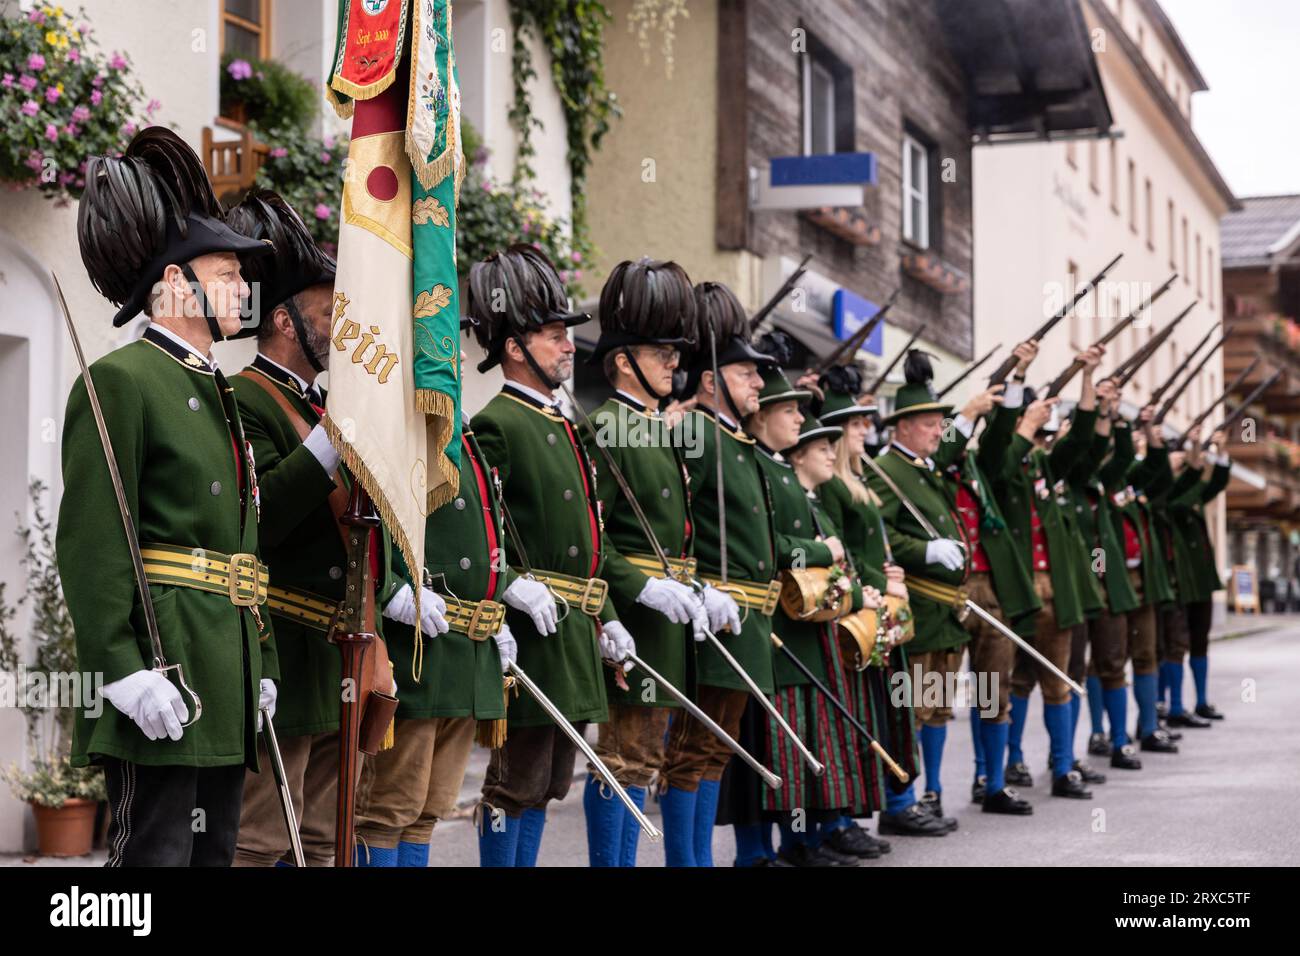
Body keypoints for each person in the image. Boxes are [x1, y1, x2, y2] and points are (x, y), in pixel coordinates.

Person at [59, 127, 277, 865]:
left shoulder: (217, 391)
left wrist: (262, 662)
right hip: (164, 665)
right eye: (226, 271)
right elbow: (91, 542)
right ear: (178, 284)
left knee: (211, 856)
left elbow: (240, 548)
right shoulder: (125, 382)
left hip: (222, 667)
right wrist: (118, 668)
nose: (243, 289)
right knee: (150, 863)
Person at [223, 189, 434, 865]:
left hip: (340, 655)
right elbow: (261, 519)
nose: (343, 328)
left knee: (323, 841)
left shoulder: (314, 406)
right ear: (284, 320)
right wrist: (331, 441)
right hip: (283, 649)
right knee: (257, 840)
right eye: (327, 312)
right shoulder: (246, 400)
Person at [466, 245, 632, 866]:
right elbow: (479, 532)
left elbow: (593, 538)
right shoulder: (495, 424)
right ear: (514, 347)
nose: (569, 347)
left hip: (573, 634)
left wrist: (609, 614)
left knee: (547, 786)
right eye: (554, 335)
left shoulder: (565, 423)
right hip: (530, 634)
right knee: (514, 783)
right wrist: (508, 583)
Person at [578, 257, 720, 867]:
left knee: (646, 759)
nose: (674, 364)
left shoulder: (657, 430)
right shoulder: (607, 427)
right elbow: (591, 538)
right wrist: (643, 588)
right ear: (621, 361)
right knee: (622, 758)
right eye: (661, 353)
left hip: (666, 623)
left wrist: (698, 588)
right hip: (633, 618)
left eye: (674, 352)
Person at [660, 282, 775, 867]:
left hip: (746, 619)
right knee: (689, 749)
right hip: (712, 618)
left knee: (717, 749)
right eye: (747, 372)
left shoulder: (736, 438)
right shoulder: (697, 432)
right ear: (711, 380)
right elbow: (675, 525)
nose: (759, 383)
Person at [864, 350, 966, 833]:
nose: (937, 434)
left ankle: (933, 791)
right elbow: (879, 536)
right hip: (917, 611)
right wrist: (925, 552)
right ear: (903, 426)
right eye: (930, 425)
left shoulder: (924, 469)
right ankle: (900, 800)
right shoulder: (886, 470)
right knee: (914, 713)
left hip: (945, 615)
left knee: (939, 708)